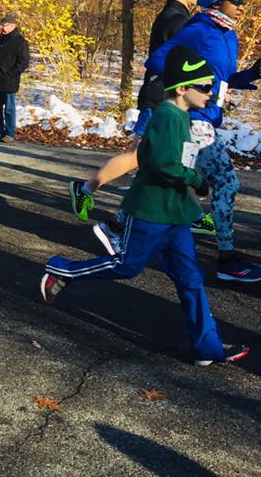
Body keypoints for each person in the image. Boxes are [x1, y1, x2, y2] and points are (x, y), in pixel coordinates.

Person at [40, 45, 249, 367]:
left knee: (190, 279)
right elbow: (166, 165)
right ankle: (64, 270)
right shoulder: (167, 117)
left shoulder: (182, 116)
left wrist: (191, 186)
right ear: (182, 88)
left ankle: (207, 347)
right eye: (206, 87)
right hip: (150, 211)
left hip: (175, 214)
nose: (211, 94)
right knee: (128, 266)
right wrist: (198, 180)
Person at [143, 0, 261, 283]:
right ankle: (227, 257)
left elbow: (224, 77)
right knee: (226, 182)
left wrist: (252, 73)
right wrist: (191, 88)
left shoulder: (228, 34)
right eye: (235, 0)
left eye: (243, 1)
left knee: (173, 181)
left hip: (209, 117)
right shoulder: (198, 30)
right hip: (195, 119)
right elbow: (156, 61)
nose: (241, 6)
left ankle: (122, 231)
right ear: (216, 1)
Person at [68, 0, 203, 223]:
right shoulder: (177, 21)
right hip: (160, 98)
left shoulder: (174, 17)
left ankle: (190, 215)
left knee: (163, 157)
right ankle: (86, 190)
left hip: (162, 97)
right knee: (140, 156)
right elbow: (182, 64)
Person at [0, 12, 29, 142]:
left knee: (9, 109)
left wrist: (11, 75)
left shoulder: (20, 42)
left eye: (4, 25)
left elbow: (23, 62)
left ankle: (9, 134)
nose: (1, 28)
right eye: (1, 25)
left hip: (9, 81)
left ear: (13, 25)